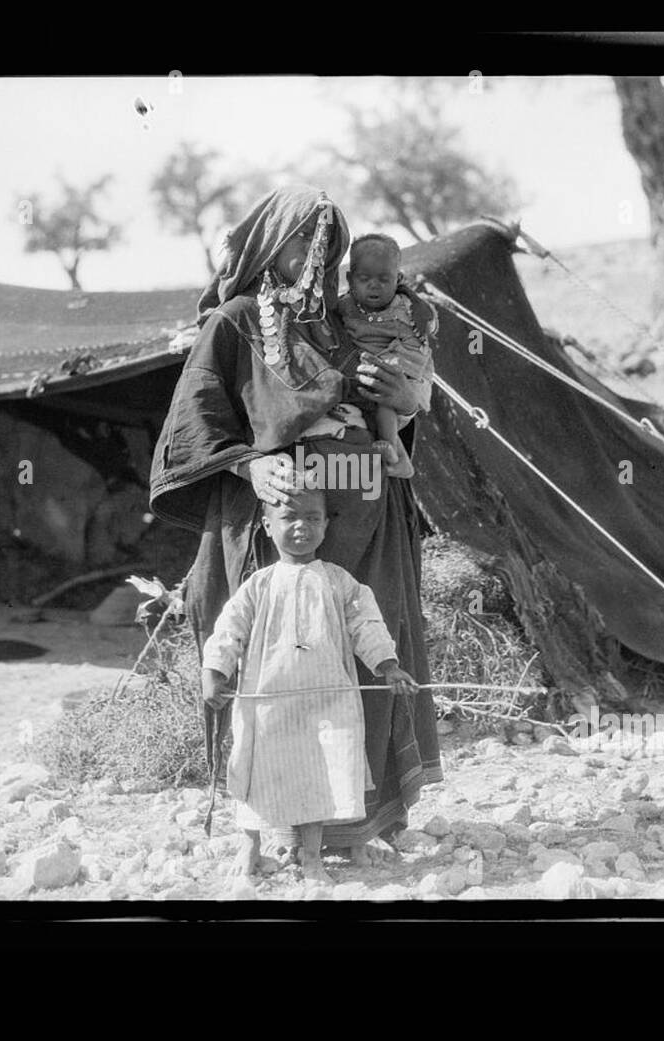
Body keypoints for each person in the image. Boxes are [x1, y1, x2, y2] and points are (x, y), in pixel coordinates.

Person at [150, 185, 442, 863]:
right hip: (275, 527)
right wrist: (251, 467)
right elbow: (191, 430)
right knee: (280, 672)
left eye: (327, 242)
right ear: (268, 243)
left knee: (363, 654)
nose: (315, 255)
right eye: (301, 239)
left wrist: (406, 401)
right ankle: (273, 824)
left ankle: (353, 825)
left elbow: (394, 404)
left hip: (367, 526)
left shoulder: (346, 322)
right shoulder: (235, 323)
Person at [200, 485, 419, 883]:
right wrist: (214, 674)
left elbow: (366, 625)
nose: (302, 527)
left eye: (313, 518)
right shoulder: (259, 585)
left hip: (326, 703)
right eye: (289, 518)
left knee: (319, 772)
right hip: (266, 702)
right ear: (267, 526)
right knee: (253, 768)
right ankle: (249, 845)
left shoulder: (340, 582)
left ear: (326, 525)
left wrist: (388, 667)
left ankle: (312, 855)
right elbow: (228, 630)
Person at [338, 233, 438, 479]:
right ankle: (400, 460)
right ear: (350, 279)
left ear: (398, 279)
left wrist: (426, 315)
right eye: (364, 278)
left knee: (386, 402)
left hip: (402, 368)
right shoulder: (344, 305)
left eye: (384, 279)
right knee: (368, 407)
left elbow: (427, 329)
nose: (374, 285)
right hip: (367, 370)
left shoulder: (407, 307)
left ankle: (392, 450)